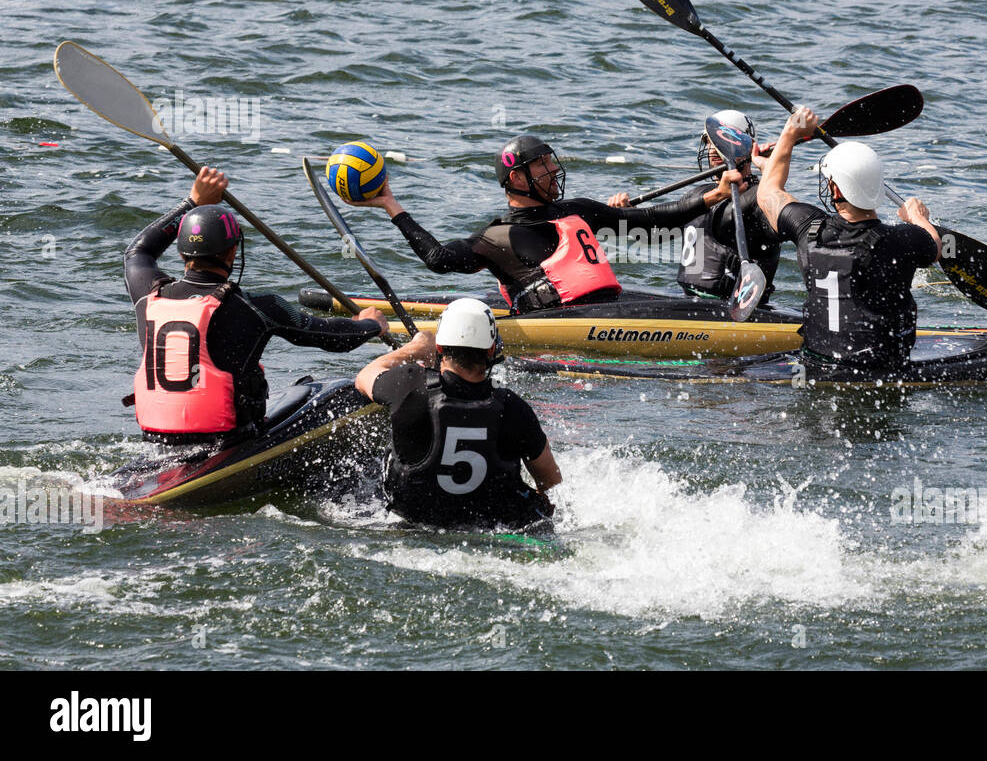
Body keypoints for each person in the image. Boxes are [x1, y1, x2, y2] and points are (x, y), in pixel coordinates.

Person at [124, 167, 389, 445]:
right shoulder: (258, 307)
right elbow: (331, 337)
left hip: (157, 440)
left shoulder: (149, 297)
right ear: (233, 251)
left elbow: (137, 252)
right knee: (343, 391)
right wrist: (370, 325)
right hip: (229, 439)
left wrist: (192, 201)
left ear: (180, 252)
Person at [347, 136, 744, 313]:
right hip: (561, 324)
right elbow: (438, 259)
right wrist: (389, 204)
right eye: (542, 165)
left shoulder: (577, 209)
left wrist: (715, 195)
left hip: (609, 307)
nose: (554, 170)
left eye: (551, 162)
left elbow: (653, 221)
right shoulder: (495, 237)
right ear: (517, 179)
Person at [756, 106, 942, 371]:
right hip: (879, 369)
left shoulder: (808, 228)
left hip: (816, 361)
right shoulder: (901, 240)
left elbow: (768, 193)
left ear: (834, 188)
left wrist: (789, 134)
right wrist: (917, 216)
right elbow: (934, 246)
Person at [355, 298, 561, 530]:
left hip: (415, 523)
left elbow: (364, 376)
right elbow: (551, 482)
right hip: (494, 528)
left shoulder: (410, 385)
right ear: (492, 350)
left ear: (440, 349)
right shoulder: (513, 407)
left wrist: (415, 349)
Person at [607, 109, 782, 304]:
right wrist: (629, 214)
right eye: (708, 142)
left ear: (747, 148)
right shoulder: (700, 194)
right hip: (689, 298)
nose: (712, 149)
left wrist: (771, 171)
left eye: (721, 143)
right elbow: (655, 235)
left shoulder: (759, 197)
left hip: (734, 307)